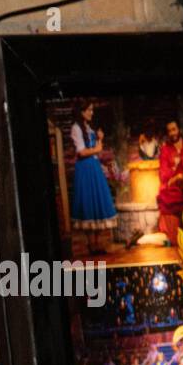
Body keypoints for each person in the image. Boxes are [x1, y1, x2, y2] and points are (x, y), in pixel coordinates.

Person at [69, 100, 117, 254]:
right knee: (89, 202)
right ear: (82, 111)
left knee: (97, 202)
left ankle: (97, 243)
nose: (92, 112)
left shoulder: (89, 128)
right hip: (85, 168)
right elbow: (81, 152)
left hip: (94, 167)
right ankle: (90, 244)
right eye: (89, 110)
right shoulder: (76, 128)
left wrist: (100, 139)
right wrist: (97, 147)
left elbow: (97, 150)